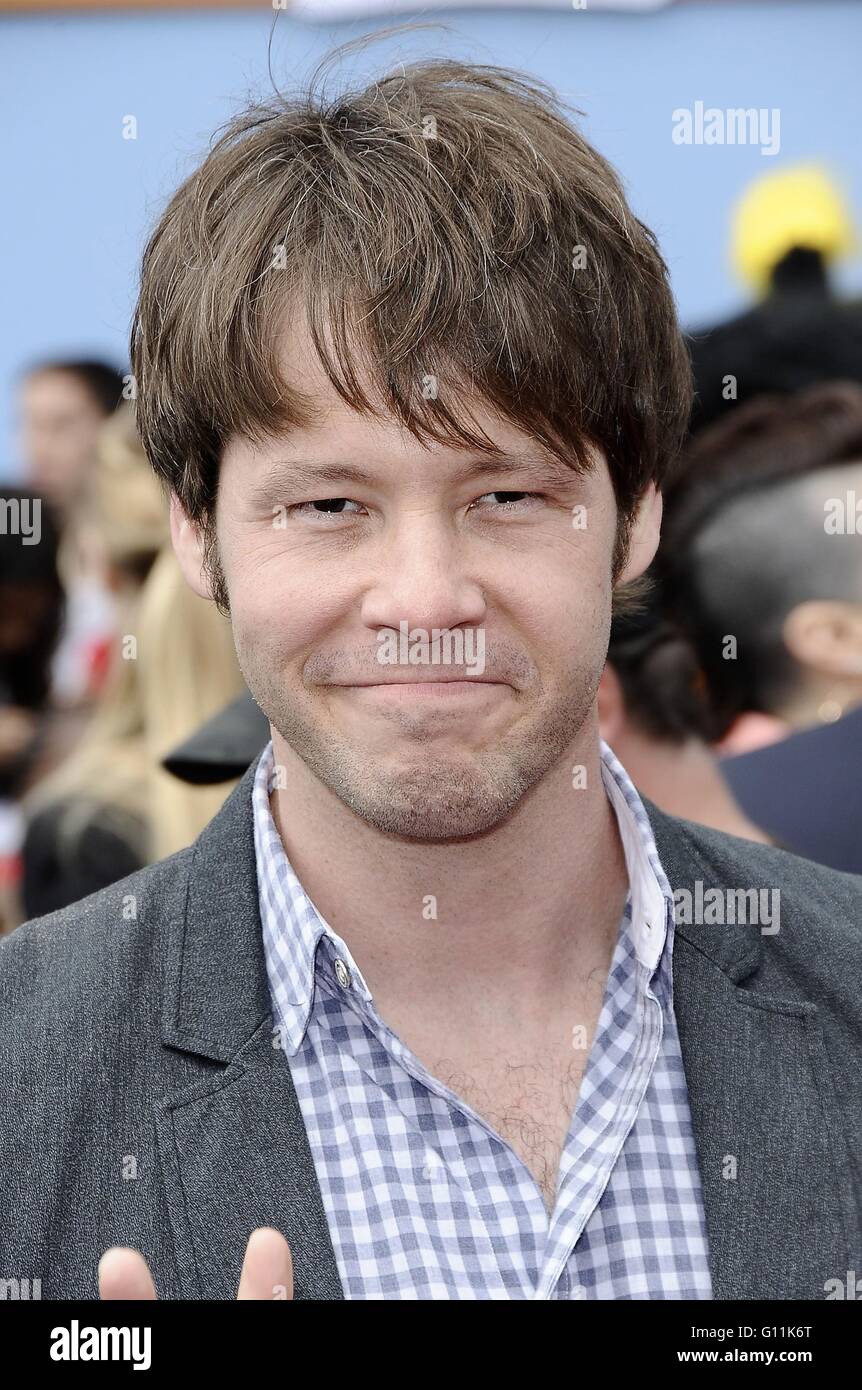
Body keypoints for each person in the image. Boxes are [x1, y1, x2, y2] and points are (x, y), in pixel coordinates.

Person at [2, 41, 861, 1303]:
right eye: (332, 504)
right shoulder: (25, 1082)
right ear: (196, 529)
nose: (424, 600)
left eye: (507, 494)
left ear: (635, 518)